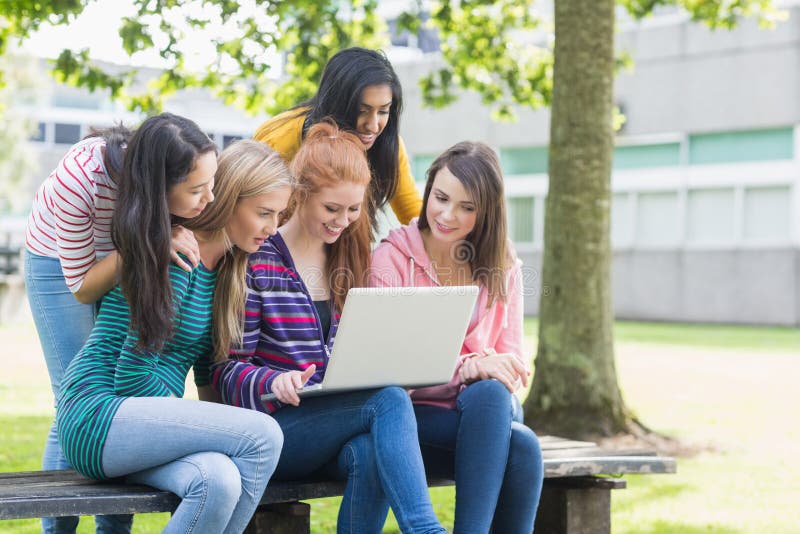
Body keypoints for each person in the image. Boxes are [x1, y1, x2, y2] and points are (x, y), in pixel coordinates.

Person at [56, 119, 289, 533]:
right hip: (99, 413)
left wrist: (205, 422)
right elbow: (131, 375)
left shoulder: (227, 273)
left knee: (217, 480)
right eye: (264, 214)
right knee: (263, 436)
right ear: (232, 202)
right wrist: (199, 426)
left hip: (136, 426)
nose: (273, 229)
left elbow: (205, 373)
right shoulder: (177, 255)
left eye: (279, 215)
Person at [213, 121, 445, 534]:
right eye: (331, 209)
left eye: (353, 210)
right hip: (277, 430)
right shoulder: (258, 260)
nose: (343, 221)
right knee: (388, 400)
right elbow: (227, 369)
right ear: (300, 196)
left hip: (334, 428)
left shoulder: (347, 262)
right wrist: (276, 379)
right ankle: (425, 529)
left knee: (373, 450)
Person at [24, 120, 200, 534]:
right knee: (75, 398)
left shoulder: (166, 166)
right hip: (59, 265)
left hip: (129, 249)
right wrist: (150, 241)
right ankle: (58, 531)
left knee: (122, 401)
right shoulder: (79, 180)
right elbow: (83, 286)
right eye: (195, 190)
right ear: (158, 182)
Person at [370, 141, 545, 533]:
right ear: (428, 189)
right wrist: (467, 366)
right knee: (524, 447)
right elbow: (390, 366)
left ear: (486, 212)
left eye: (467, 207)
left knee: (491, 394)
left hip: (487, 410)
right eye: (441, 198)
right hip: (413, 420)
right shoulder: (392, 259)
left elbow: (511, 362)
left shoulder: (501, 261)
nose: (448, 215)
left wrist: (477, 372)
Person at [254, 47, 421, 233]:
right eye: (362, 111)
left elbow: (414, 215)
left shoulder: (389, 147)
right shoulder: (279, 142)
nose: (373, 126)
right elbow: (252, 214)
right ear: (337, 104)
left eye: (383, 111)